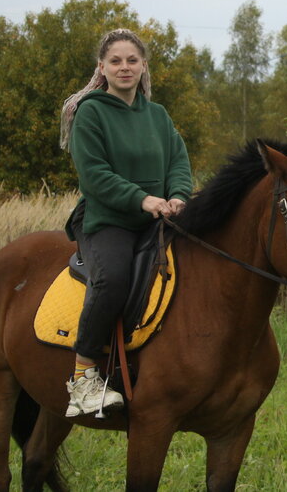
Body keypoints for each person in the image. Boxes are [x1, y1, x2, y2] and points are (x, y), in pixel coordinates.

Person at [59, 28, 192, 417]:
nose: (124, 67)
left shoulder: (157, 114)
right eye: (115, 60)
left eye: (132, 60)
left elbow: (178, 162)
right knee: (113, 277)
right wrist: (143, 199)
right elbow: (94, 175)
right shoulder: (91, 112)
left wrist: (179, 196)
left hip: (158, 219)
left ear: (143, 66)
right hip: (107, 219)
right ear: (102, 67)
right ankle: (84, 378)